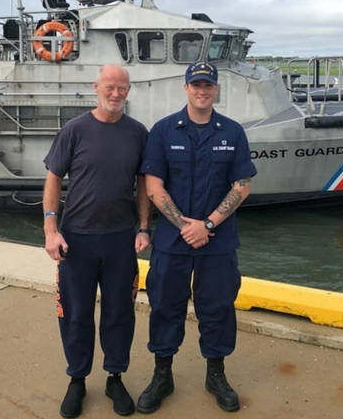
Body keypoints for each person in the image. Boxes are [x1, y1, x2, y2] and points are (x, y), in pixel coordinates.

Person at [136, 61, 257, 413]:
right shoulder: (163, 131)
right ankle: (162, 375)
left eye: (208, 85)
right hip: (171, 242)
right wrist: (184, 225)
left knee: (218, 307)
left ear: (216, 89)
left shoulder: (232, 133)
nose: (202, 91)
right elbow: (153, 185)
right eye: (196, 85)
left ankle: (215, 374)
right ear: (186, 88)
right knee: (164, 306)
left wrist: (207, 225)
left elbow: (242, 185)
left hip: (217, 242)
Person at [43, 64, 152, 418]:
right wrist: (50, 230)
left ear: (128, 91)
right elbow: (54, 178)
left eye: (123, 88)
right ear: (96, 87)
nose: (116, 93)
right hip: (77, 240)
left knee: (120, 313)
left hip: (121, 239)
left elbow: (143, 185)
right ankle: (77, 378)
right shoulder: (74, 130)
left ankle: (114, 376)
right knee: (75, 314)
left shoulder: (138, 133)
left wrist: (144, 227)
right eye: (110, 86)